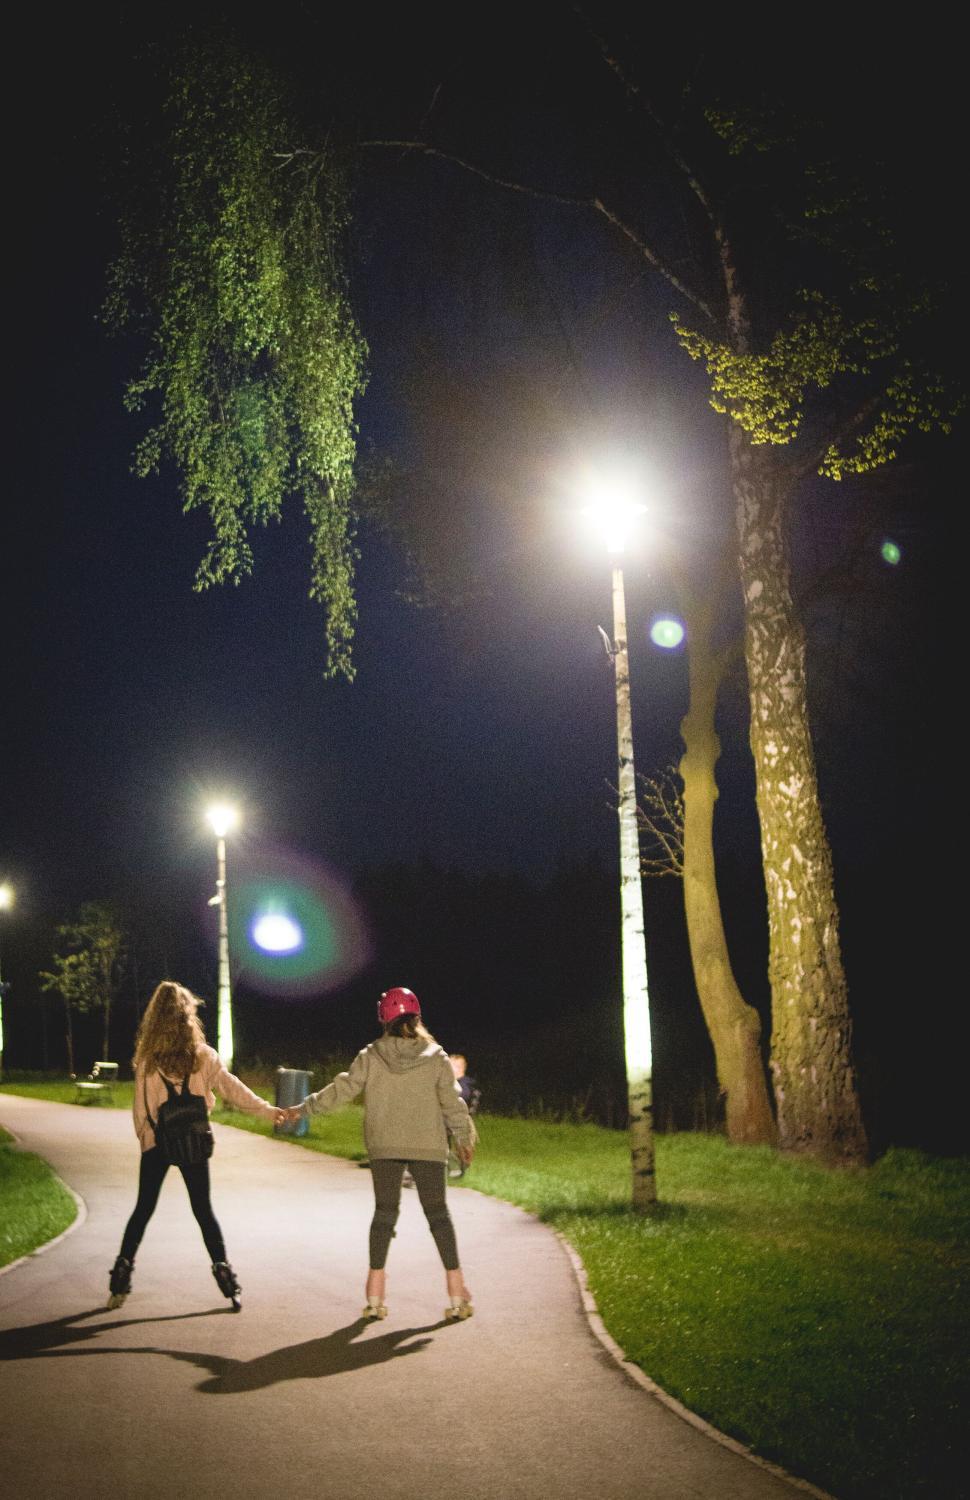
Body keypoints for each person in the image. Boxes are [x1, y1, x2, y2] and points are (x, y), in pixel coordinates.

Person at [282, 986, 477, 1322]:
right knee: (438, 1215)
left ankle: (374, 1297)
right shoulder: (437, 1057)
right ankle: (457, 1294)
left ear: (383, 1019)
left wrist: (304, 1108)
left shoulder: (371, 1055)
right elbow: (452, 1102)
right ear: (417, 1017)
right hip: (428, 1146)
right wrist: (464, 1137)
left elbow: (342, 1089)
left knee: (384, 1214)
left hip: (384, 1145)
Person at [107, 980, 283, 1311]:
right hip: (194, 1141)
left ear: (154, 1018)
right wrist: (267, 1111)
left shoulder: (147, 1061)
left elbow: (141, 1110)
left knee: (143, 1209)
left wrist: (148, 1144)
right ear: (188, 1016)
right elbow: (232, 1089)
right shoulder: (203, 1057)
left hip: (159, 1143)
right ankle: (226, 1279)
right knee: (203, 1210)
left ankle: (120, 1277)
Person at [447, 1054, 482, 1178]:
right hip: (452, 1118)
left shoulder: (464, 1085)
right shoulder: (462, 1083)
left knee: (462, 1146)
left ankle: (461, 1164)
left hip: (459, 1119)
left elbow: (461, 1099)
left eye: (449, 1066)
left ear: (458, 1068)